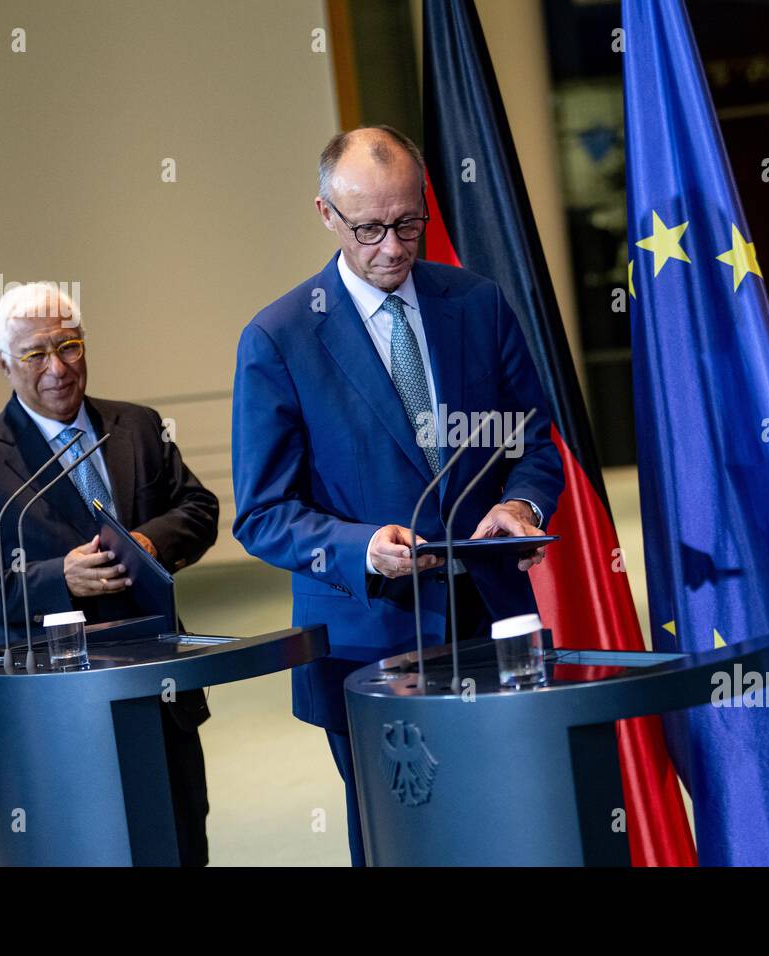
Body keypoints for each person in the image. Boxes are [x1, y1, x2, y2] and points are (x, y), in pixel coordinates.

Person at [231, 125, 564, 865]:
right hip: (368, 647)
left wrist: (521, 507)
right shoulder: (279, 339)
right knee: (407, 847)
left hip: (491, 628)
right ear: (326, 214)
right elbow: (262, 514)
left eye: (408, 222)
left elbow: (532, 444)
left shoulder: (477, 303)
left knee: (515, 832)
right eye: (370, 228)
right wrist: (363, 551)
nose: (393, 246)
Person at [0, 281, 219, 866]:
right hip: (53, 703)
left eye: (69, 346)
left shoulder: (138, 426)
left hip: (157, 691)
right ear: (2, 363)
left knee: (180, 843)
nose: (57, 368)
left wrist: (147, 541)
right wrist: (56, 579)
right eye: (35, 354)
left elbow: (199, 510)